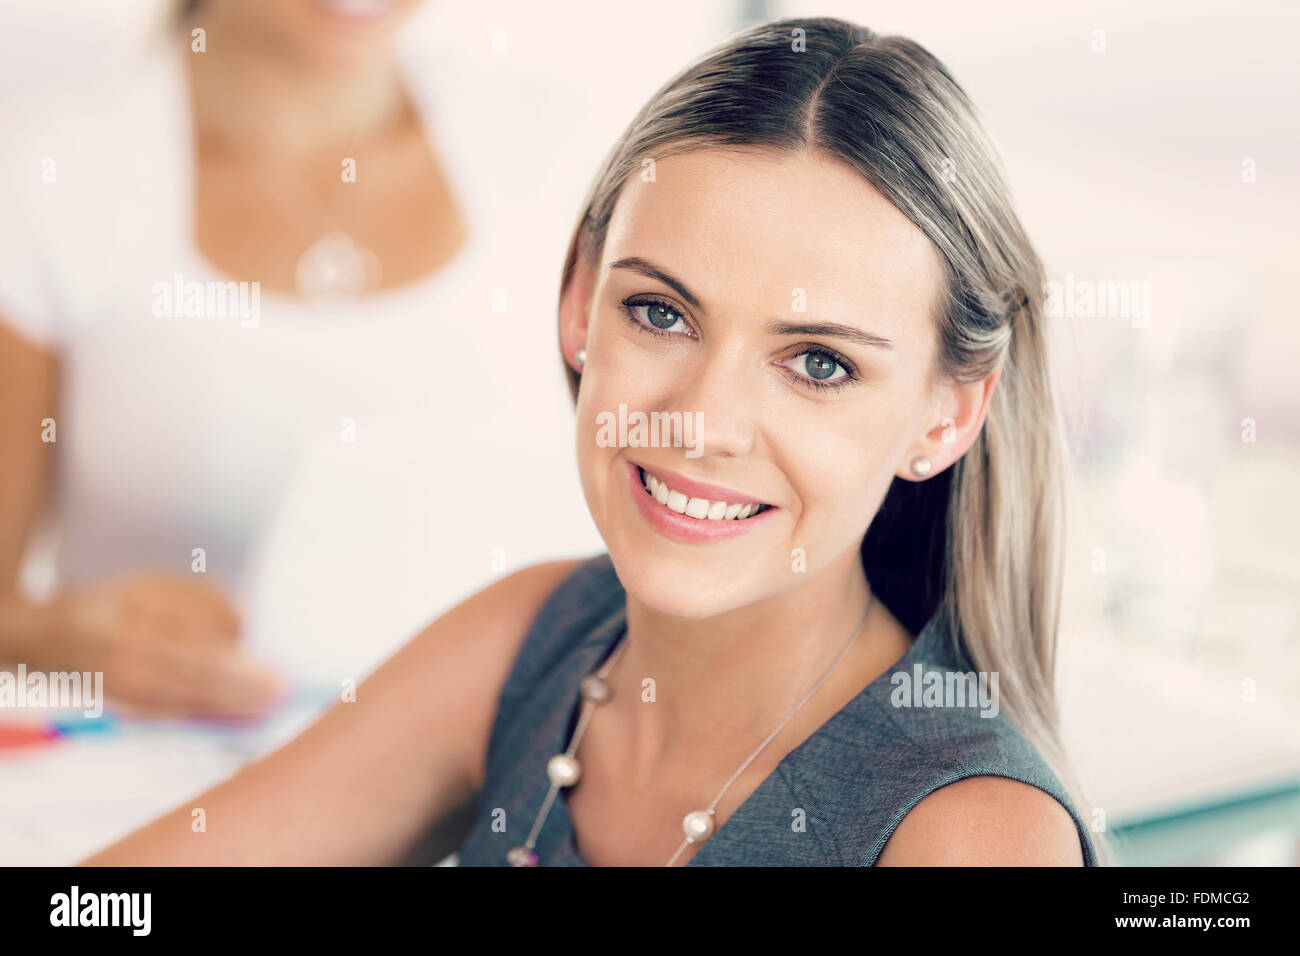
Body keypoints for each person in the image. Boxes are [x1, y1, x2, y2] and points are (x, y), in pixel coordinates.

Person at [80, 16, 1104, 866]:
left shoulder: (970, 836)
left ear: (946, 414)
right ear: (579, 301)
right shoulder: (532, 643)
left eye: (818, 363)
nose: (698, 420)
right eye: (661, 313)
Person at [0, 0, 594, 716]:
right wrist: (59, 638)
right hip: (172, 772)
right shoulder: (54, 177)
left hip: (500, 759)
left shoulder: (550, 147)